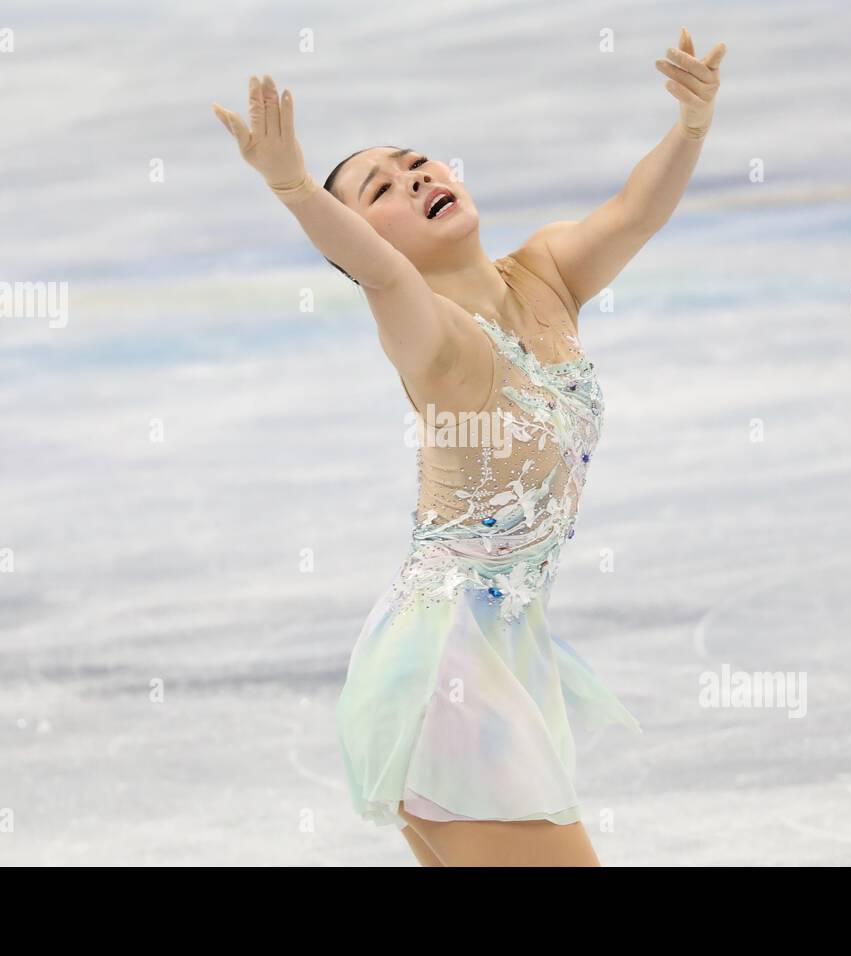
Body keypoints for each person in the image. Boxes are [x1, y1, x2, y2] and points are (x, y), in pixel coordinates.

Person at [212, 26, 726, 866]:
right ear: (367, 237)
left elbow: (636, 214)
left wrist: (692, 129)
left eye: (417, 163)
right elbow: (381, 276)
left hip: (501, 657)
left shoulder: (547, 272)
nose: (414, 178)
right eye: (381, 190)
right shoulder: (432, 340)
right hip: (444, 673)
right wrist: (296, 188)